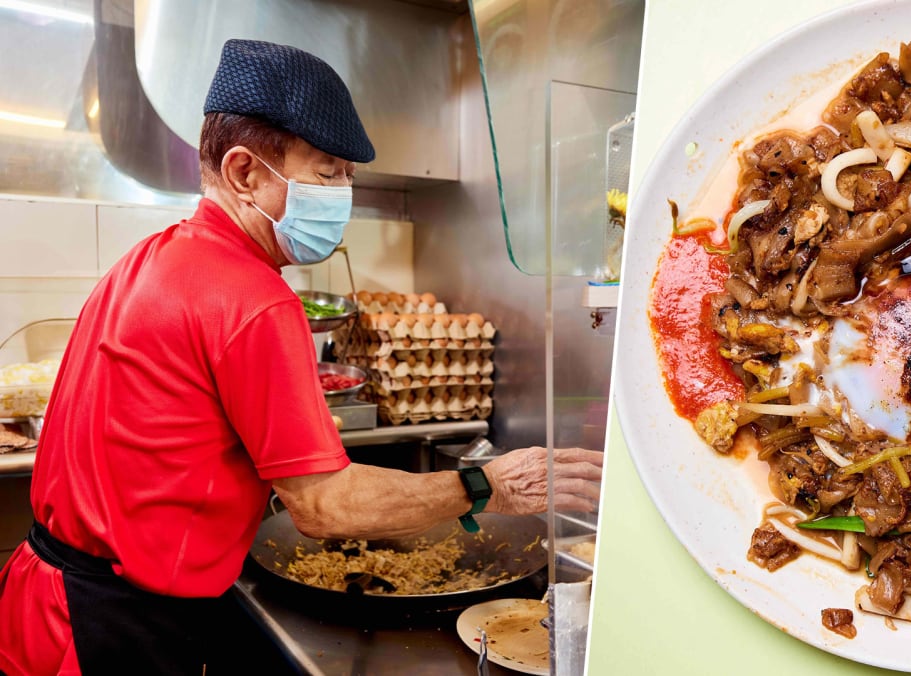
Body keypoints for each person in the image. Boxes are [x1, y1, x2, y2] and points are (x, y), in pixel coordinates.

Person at [0, 39, 603, 674]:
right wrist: (487, 485)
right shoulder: (253, 299)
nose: (344, 193)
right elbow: (325, 506)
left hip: (44, 601)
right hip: (115, 631)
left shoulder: (152, 257)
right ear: (243, 173)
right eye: (326, 172)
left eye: (348, 175)